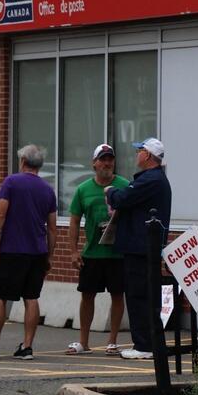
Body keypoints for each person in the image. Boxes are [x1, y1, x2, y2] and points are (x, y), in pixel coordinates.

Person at [0, 145, 57, 360]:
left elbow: (0, 214)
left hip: (13, 250)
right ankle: (27, 347)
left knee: (0, 296)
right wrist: (49, 256)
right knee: (31, 297)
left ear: (23, 160)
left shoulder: (11, 182)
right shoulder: (47, 190)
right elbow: (52, 228)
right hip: (37, 252)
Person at [105, 137, 171, 360]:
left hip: (140, 247)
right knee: (145, 296)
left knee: (138, 297)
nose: (136, 155)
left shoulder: (149, 179)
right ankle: (149, 342)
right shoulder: (155, 179)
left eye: (140, 151)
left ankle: (144, 345)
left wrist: (111, 191)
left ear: (148, 156)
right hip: (145, 247)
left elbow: (124, 198)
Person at [65, 144, 129, 356]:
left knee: (118, 295)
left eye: (110, 159)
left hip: (117, 253)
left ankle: (112, 341)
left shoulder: (124, 185)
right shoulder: (83, 189)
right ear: (94, 163)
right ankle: (84, 342)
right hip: (92, 252)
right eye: (102, 159)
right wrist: (74, 251)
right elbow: (74, 221)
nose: (107, 163)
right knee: (87, 295)